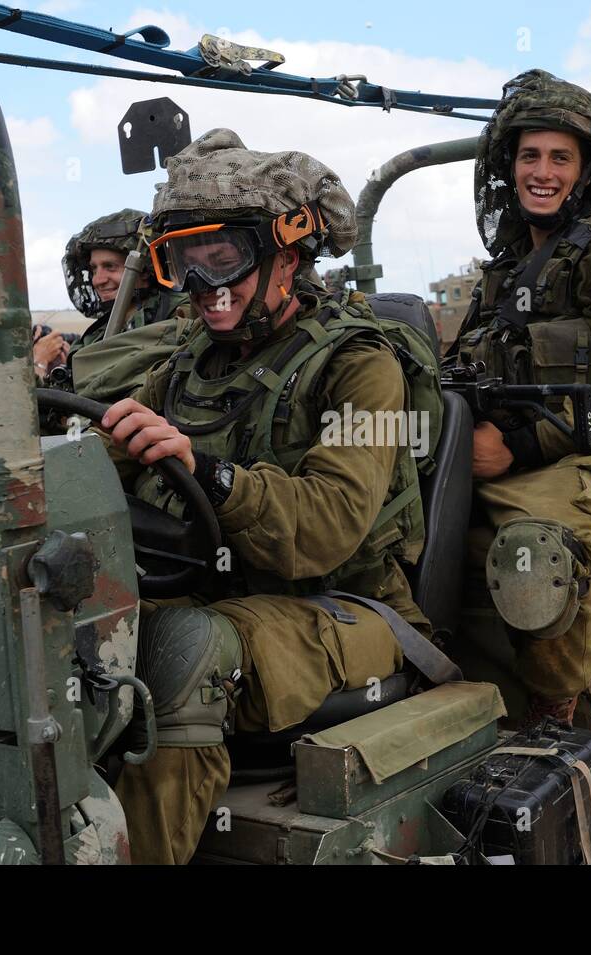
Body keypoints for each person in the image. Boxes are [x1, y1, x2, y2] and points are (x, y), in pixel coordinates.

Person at [99, 129, 432, 863]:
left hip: (352, 607)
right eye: (184, 262)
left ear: (287, 255)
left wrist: (208, 470)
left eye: (225, 259)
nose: (205, 285)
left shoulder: (359, 363)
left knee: (184, 650)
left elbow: (329, 526)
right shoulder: (187, 365)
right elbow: (109, 463)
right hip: (225, 596)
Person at [449, 70, 591, 727]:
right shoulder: (509, 263)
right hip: (505, 452)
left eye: (559, 157)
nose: (541, 171)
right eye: (529, 156)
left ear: (584, 172)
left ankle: (557, 714)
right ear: (509, 166)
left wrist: (519, 443)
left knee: (532, 552)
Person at [38, 208, 190, 393]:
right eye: (94, 269)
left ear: (145, 270)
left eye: (110, 267)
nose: (98, 280)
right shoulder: (95, 337)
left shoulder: (181, 315)